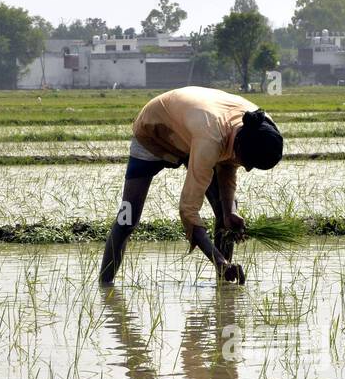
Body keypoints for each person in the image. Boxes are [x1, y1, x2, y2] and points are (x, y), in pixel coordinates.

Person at [98, 86, 284, 285]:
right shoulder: (211, 139)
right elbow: (188, 211)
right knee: (127, 218)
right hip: (156, 131)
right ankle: (104, 285)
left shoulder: (260, 128)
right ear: (239, 144)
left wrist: (230, 211)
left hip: (195, 128)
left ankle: (224, 283)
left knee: (223, 214)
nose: (246, 169)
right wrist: (217, 260)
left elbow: (228, 166)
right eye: (247, 162)